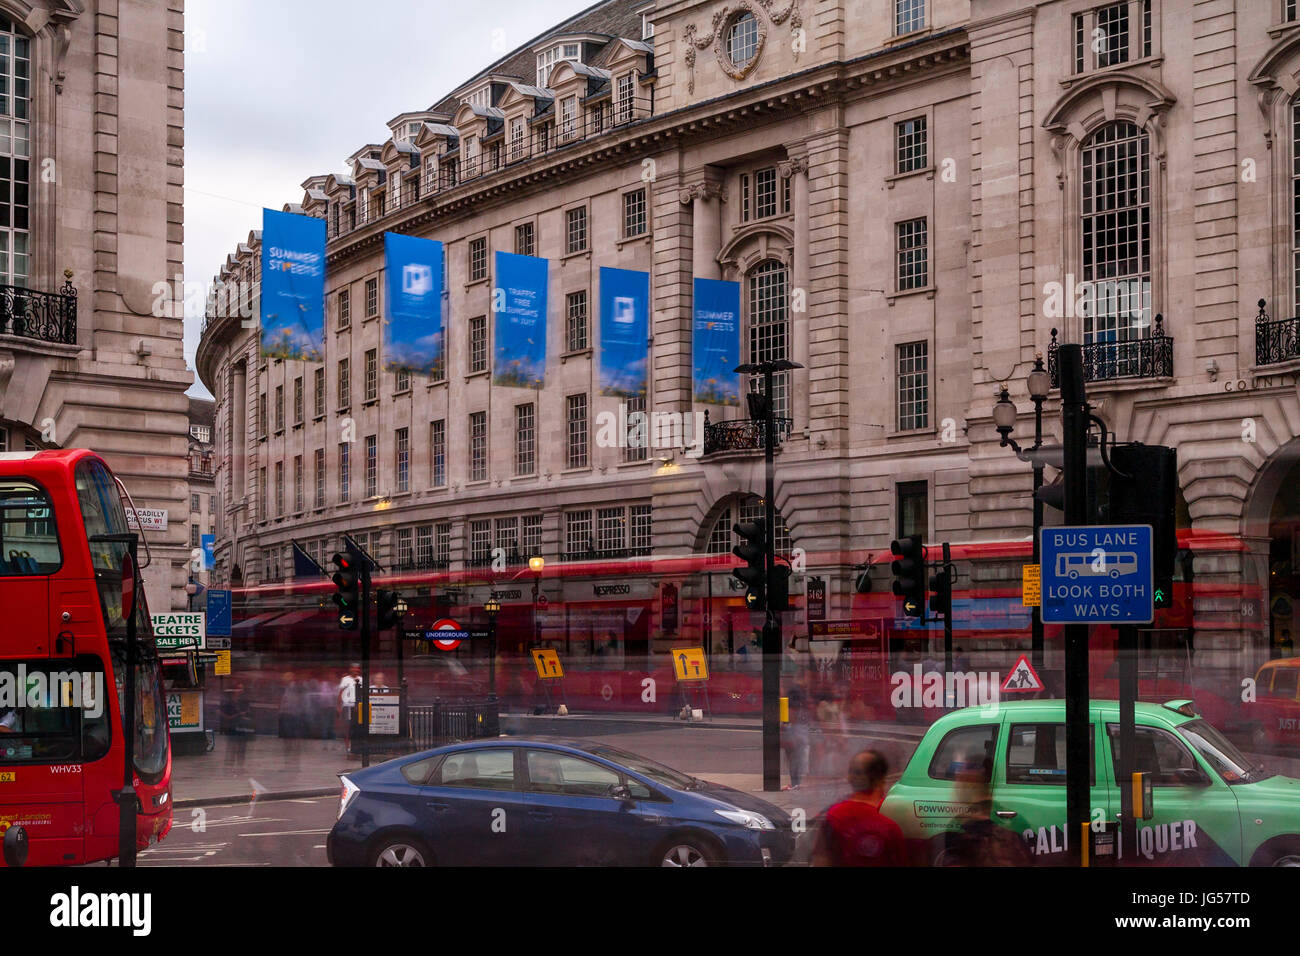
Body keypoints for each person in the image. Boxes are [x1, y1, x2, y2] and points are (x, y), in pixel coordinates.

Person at [811, 750, 906, 866]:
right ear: (881, 780)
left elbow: (821, 860)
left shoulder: (833, 815)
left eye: (853, 772)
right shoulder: (892, 822)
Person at [938, 754, 1032, 866]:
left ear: (973, 784)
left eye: (962, 779)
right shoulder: (1016, 823)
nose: (957, 785)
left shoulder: (957, 828)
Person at [338, 664, 361, 756]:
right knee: (347, 727)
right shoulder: (345, 679)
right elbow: (340, 693)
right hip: (347, 706)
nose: (355, 670)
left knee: (357, 727)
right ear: (350, 669)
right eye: (353, 668)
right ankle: (347, 747)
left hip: (358, 707)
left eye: (357, 668)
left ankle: (356, 748)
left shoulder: (361, 679)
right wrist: (339, 706)